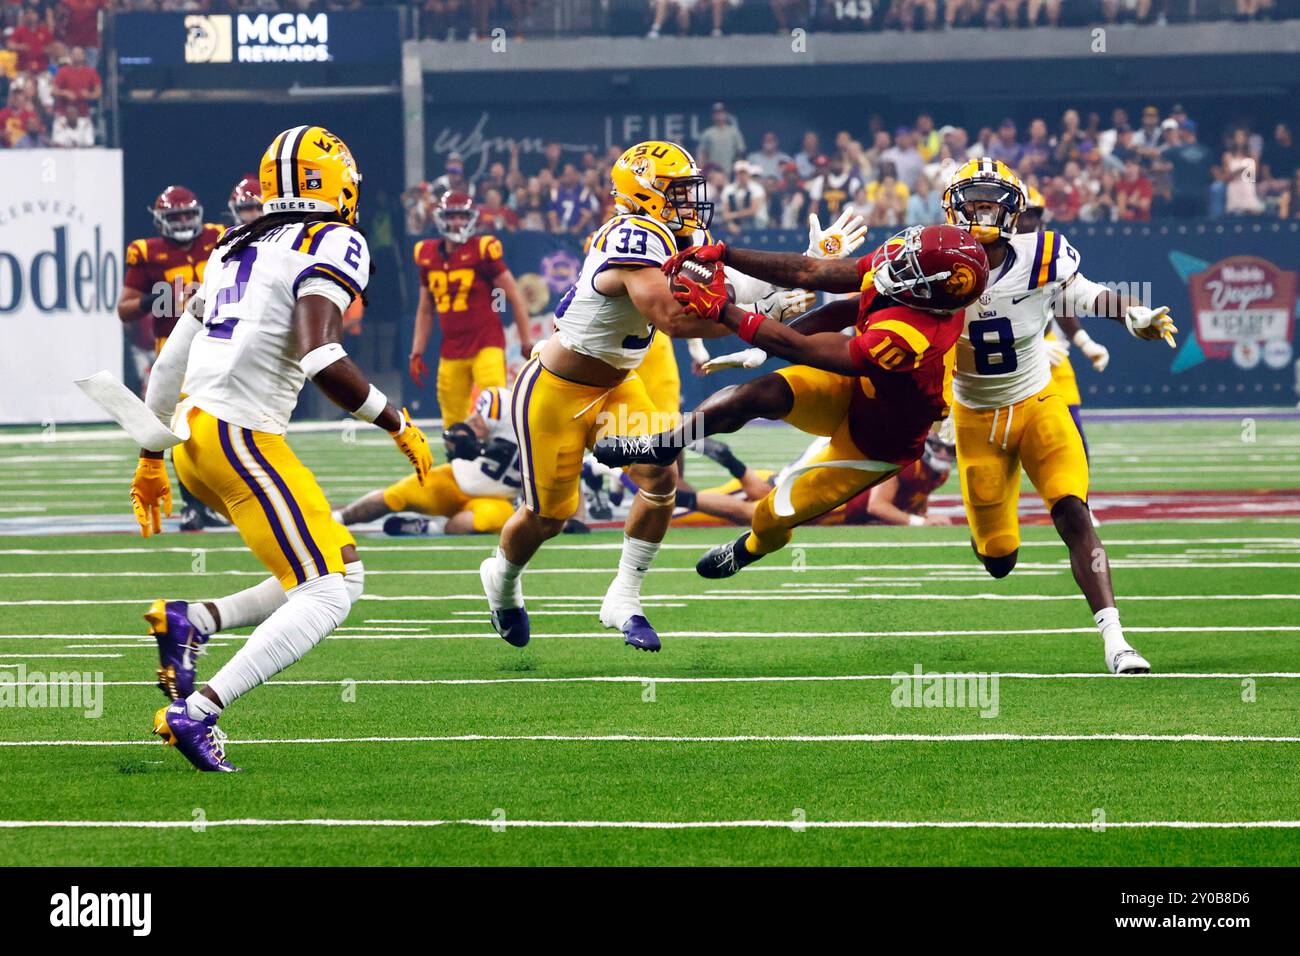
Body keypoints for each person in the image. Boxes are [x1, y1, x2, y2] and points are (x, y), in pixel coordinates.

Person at [129, 126, 434, 771]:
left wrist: (152, 456)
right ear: (336, 182)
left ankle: (195, 620)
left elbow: (166, 365)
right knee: (325, 593)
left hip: (195, 438)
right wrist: (397, 422)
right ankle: (197, 711)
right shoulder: (333, 240)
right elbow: (323, 356)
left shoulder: (229, 247)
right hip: (241, 436)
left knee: (340, 571)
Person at [593, 223, 989, 579]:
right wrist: (727, 254)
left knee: (772, 514)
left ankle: (749, 548)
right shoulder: (914, 287)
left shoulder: (914, 334)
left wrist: (724, 312)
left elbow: (808, 351)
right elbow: (814, 278)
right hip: (858, 389)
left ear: (933, 293)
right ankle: (664, 445)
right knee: (756, 394)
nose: (893, 264)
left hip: (877, 441)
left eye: (910, 268)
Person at [478, 141, 730, 653]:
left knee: (662, 476)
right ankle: (502, 581)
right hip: (556, 393)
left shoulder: (673, 234)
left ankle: (624, 596)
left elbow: (728, 281)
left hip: (616, 385)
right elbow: (672, 318)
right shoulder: (634, 235)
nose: (691, 202)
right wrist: (764, 313)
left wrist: (809, 268)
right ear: (648, 194)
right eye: (678, 191)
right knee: (548, 517)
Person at [941, 158, 1177, 674]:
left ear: (1012, 210)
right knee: (999, 560)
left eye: (992, 200)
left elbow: (1084, 293)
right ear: (954, 206)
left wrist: (1129, 312)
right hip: (977, 419)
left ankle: (1116, 640)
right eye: (974, 200)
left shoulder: (1041, 254)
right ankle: (991, 541)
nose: (983, 210)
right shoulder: (933, 260)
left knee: (1073, 509)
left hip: (1037, 403)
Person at [408, 192, 534, 424]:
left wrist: (526, 341)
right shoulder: (427, 254)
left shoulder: (482, 249)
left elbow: (514, 295)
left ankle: (501, 456)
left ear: (471, 218)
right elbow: (426, 308)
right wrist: (417, 349)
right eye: (452, 216)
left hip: (486, 343)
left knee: (495, 411)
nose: (457, 222)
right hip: (451, 349)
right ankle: (460, 460)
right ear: (441, 218)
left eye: (462, 216)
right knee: (453, 422)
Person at [336, 386, 519, 537]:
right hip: (455, 479)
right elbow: (460, 433)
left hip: (499, 498)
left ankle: (428, 527)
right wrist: (464, 440)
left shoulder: (535, 436)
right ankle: (336, 518)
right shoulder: (499, 405)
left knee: (473, 523)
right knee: (394, 496)